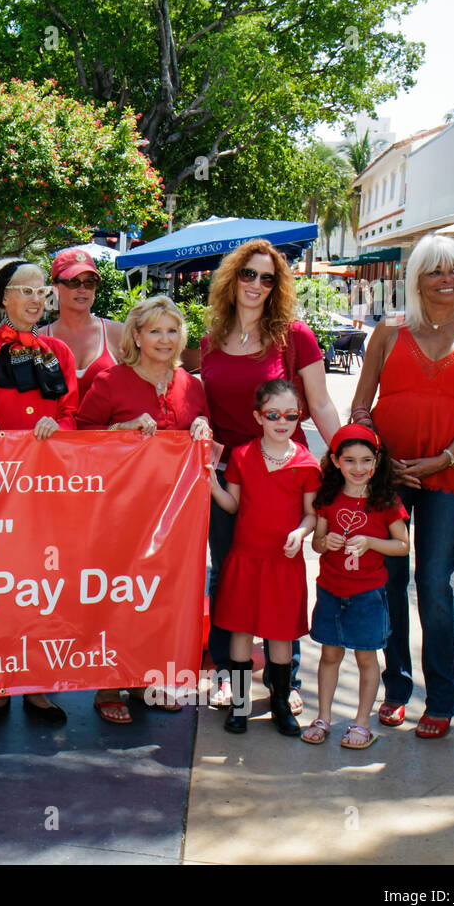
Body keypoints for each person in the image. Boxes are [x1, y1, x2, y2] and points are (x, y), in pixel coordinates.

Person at [350, 234, 454, 740]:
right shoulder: (389, 331)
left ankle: (441, 697)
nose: (446, 280)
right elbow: (360, 406)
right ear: (416, 277)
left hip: (449, 476)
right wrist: (381, 463)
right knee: (389, 581)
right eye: (435, 271)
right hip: (388, 477)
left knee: (435, 584)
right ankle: (395, 689)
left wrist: (450, 461)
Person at [200, 238, 340, 714]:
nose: (256, 285)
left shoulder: (294, 335)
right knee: (227, 573)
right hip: (229, 474)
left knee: (283, 575)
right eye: (247, 274)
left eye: (267, 277)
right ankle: (227, 675)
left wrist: (344, 456)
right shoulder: (210, 339)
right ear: (231, 279)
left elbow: (318, 402)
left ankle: (287, 681)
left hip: (284, 474)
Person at [77, 295, 211, 722]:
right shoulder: (110, 380)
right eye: (155, 330)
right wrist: (121, 429)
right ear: (136, 335)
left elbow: (204, 439)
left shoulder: (191, 385)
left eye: (172, 330)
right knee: (118, 594)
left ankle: (149, 679)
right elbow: (80, 438)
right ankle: (109, 685)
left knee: (161, 595)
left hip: (175, 514)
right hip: (121, 511)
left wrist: (204, 429)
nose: (165, 339)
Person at [0, 259, 78, 723]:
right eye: (25, 291)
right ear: (3, 297)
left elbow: (73, 413)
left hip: (45, 490)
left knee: (41, 585)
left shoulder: (59, 352)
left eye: (41, 291)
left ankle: (37, 684)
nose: (36, 299)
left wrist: (61, 423)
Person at [207, 380, 319, 736]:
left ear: (299, 417)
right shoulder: (241, 457)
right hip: (245, 559)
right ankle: (239, 706)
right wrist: (210, 479)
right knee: (241, 631)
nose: (282, 421)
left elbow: (311, 515)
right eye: (273, 415)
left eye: (291, 415)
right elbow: (232, 504)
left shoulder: (306, 462)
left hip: (283, 564)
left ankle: (281, 704)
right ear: (259, 416)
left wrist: (301, 533)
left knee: (280, 635)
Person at [302, 425, 409, 749]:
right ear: (335, 461)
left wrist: (372, 542)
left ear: (377, 462)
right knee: (329, 654)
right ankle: (323, 717)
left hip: (368, 594)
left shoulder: (386, 501)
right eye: (350, 460)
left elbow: (402, 545)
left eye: (366, 460)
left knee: (366, 658)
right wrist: (325, 541)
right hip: (331, 590)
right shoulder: (329, 498)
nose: (358, 468)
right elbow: (318, 544)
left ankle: (362, 722)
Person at [42, 249, 124, 402]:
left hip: (109, 426)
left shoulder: (118, 333)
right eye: (73, 282)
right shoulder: (39, 339)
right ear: (55, 287)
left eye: (89, 283)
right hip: (53, 426)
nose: (82, 289)